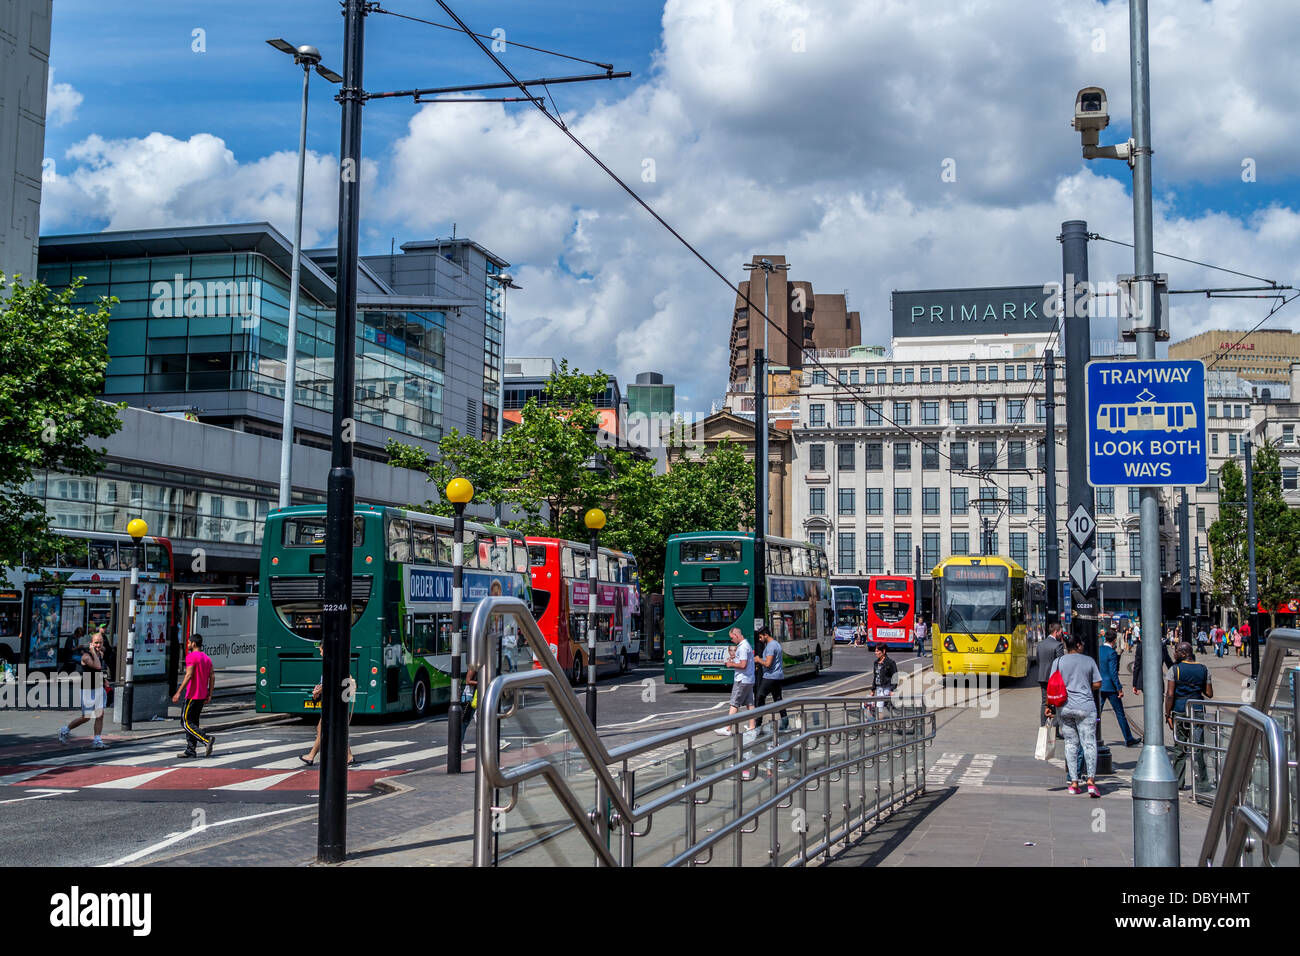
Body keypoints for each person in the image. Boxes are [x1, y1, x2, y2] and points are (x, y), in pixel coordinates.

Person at [1044, 635, 1103, 797]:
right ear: (1077, 645)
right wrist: (1085, 686)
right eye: (1081, 644)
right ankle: (1091, 781)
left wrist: (1049, 706)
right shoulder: (1089, 661)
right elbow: (1098, 683)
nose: (1083, 646)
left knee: (1070, 744)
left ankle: (1074, 783)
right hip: (1086, 708)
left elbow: (1052, 686)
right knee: (1089, 743)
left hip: (1064, 708)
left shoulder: (1058, 662)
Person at [1166, 641, 1212, 789]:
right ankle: (1203, 782)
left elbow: (1170, 694)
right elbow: (1209, 693)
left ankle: (1178, 782)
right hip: (1197, 710)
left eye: (1177, 651)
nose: (1174, 653)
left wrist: (1167, 713)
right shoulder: (1204, 669)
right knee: (1198, 747)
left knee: (1180, 747)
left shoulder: (1175, 669)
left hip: (1179, 710)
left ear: (1184, 653)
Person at [301, 642, 354, 765]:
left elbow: (333, 682)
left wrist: (320, 690)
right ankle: (348, 756)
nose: (320, 653)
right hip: (336, 702)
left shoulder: (332, 664)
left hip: (333, 703)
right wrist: (318, 692)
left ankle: (311, 756)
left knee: (323, 728)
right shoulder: (334, 663)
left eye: (321, 650)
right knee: (333, 729)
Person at [58, 630, 112, 750]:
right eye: (96, 643)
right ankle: (65, 730)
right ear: (91, 643)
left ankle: (97, 740)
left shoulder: (100, 654)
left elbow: (99, 671)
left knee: (100, 714)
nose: (98, 645)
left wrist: (104, 680)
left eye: (100, 643)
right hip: (87, 689)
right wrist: (93, 651)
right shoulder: (86, 656)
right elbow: (97, 666)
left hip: (98, 688)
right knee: (86, 717)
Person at [173, 633, 215, 759]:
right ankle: (190, 750)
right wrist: (210, 694)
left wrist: (179, 691)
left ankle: (206, 739)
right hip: (202, 696)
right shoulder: (207, 658)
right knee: (193, 723)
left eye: (188, 643)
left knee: (185, 722)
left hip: (192, 695)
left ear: (194, 644)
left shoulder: (191, 657)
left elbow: (189, 675)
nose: (187, 645)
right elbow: (212, 676)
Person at [1098, 632, 1139, 746]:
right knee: (1120, 713)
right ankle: (1128, 738)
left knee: (1097, 714)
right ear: (1114, 640)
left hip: (1100, 686)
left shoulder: (1099, 650)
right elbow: (1113, 672)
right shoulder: (1112, 653)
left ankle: (1091, 736)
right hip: (1111, 688)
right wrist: (1119, 688)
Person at [715, 626, 755, 735]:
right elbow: (744, 662)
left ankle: (728, 728)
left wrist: (730, 664)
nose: (731, 640)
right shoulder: (747, 645)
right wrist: (734, 660)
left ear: (737, 635)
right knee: (750, 704)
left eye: (732, 638)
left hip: (742, 679)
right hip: (749, 679)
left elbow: (743, 665)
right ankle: (752, 727)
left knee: (734, 703)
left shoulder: (742, 647)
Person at [753, 624, 788, 731]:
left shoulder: (771, 646)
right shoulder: (776, 644)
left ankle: (758, 725)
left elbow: (768, 664)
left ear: (766, 635)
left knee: (760, 697)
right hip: (777, 676)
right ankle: (785, 723)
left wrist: (758, 660)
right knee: (778, 700)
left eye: (760, 637)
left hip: (770, 676)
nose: (760, 639)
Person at [1035, 623, 1066, 728]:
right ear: (1056, 632)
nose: (1061, 635)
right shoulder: (1058, 645)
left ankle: (1043, 727)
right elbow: (1060, 663)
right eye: (1060, 633)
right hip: (1054, 679)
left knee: (1044, 702)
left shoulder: (1040, 644)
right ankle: (1055, 728)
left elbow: (1038, 661)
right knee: (1057, 702)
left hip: (1042, 677)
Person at [1131, 632, 1173, 696]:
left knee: (1149, 702)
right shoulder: (1161, 645)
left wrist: (1135, 684)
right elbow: (1169, 662)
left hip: (1145, 681)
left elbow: (1137, 665)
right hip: (1157, 680)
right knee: (1158, 702)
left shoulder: (1141, 646)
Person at [866, 643, 899, 726]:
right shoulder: (876, 663)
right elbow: (875, 676)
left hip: (886, 688)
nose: (875, 653)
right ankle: (873, 721)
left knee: (879, 706)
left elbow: (895, 677)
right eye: (875, 651)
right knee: (867, 703)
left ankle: (879, 726)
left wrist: (892, 689)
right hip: (878, 689)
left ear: (883, 651)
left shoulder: (890, 662)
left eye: (877, 651)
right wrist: (873, 690)